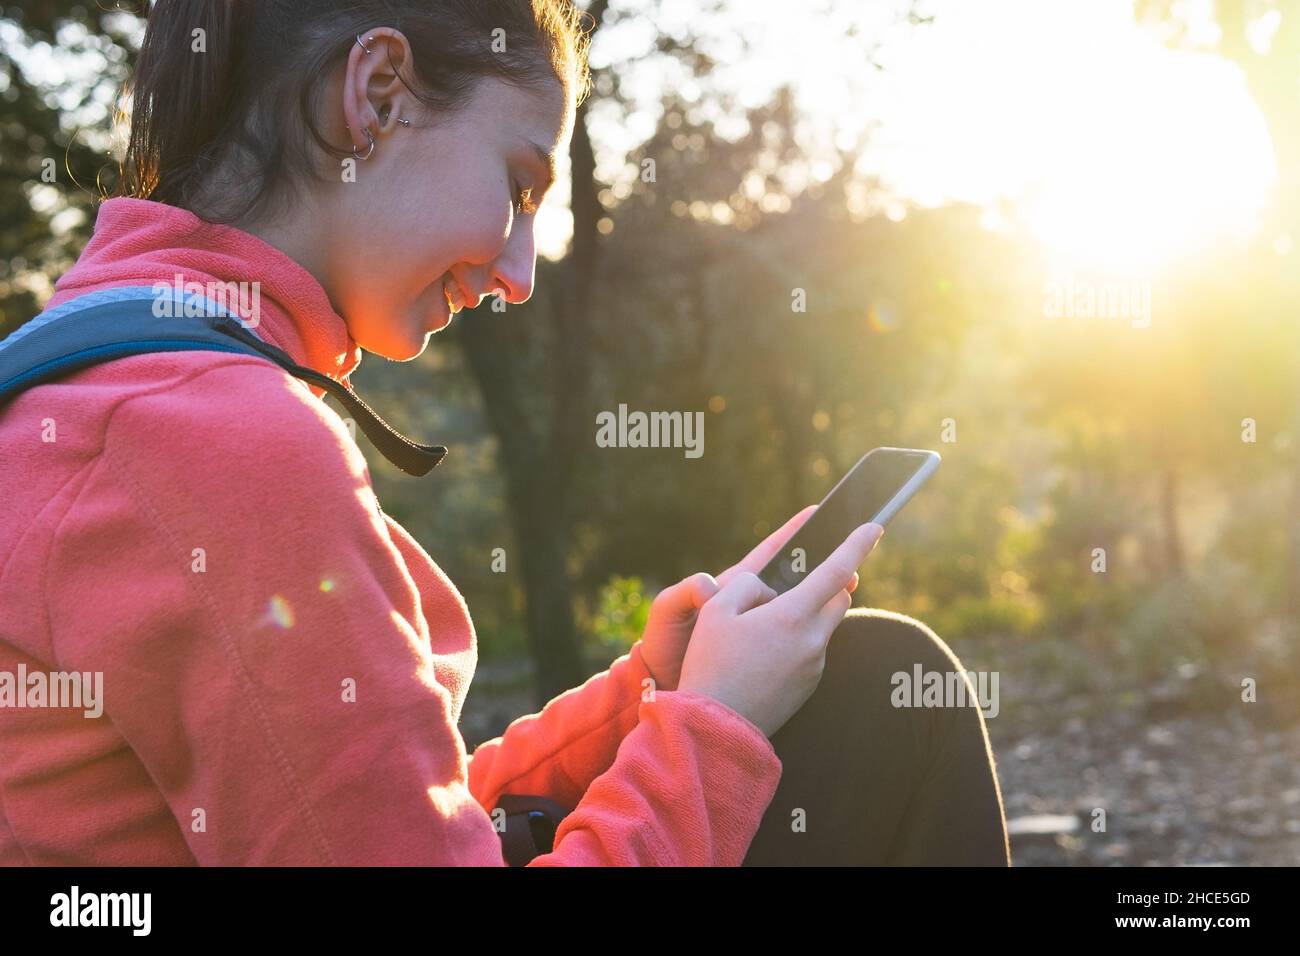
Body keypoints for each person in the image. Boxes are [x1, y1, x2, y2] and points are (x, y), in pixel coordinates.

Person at [0, 0, 1009, 866]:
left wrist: (647, 696)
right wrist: (716, 726)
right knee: (878, 695)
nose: (520, 271)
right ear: (379, 94)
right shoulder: (221, 443)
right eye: (520, 186)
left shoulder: (81, 382)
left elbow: (390, 825)